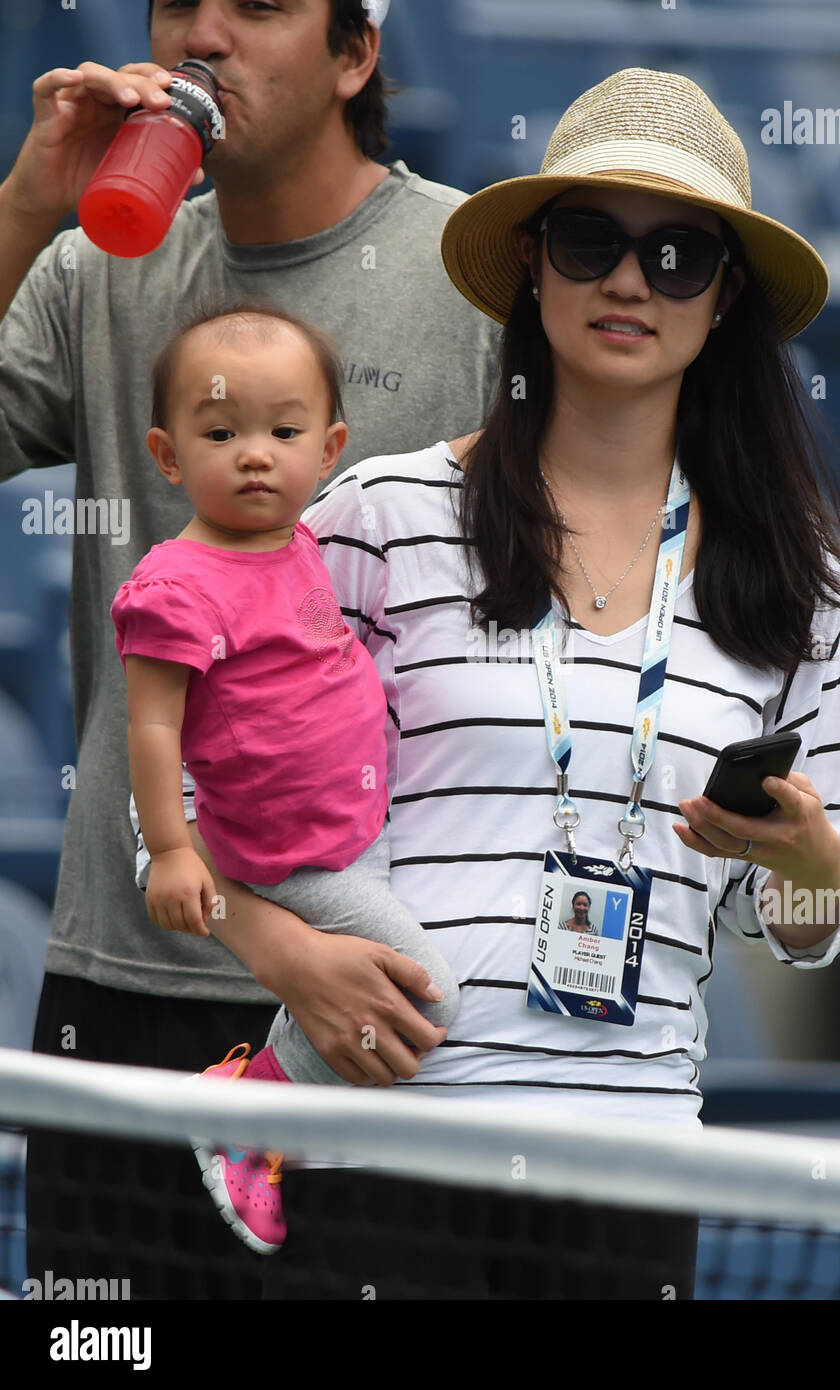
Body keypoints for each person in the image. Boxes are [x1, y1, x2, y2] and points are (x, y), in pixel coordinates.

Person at [150, 67, 840, 1299]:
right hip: (380, 1144)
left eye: (677, 258)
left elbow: (817, 920)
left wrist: (809, 871)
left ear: (722, 304)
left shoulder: (800, 580)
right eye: (590, 238)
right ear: (533, 267)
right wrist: (286, 958)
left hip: (633, 1174)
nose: (626, 280)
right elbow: (170, 808)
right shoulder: (376, 518)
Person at [0, 0, 496, 1297]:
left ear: (357, 56)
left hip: (361, 991)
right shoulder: (98, 265)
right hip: (120, 978)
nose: (202, 34)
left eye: (261, 6)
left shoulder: (472, 274)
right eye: (179, 4)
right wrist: (20, 209)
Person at [110, 301, 460, 1256]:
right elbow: (150, 728)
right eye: (222, 433)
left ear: (329, 446)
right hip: (280, 854)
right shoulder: (176, 584)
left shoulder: (304, 540)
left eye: (284, 431)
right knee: (426, 994)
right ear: (169, 454)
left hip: (352, 832)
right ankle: (250, 1110)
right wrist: (172, 853)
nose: (256, 454)